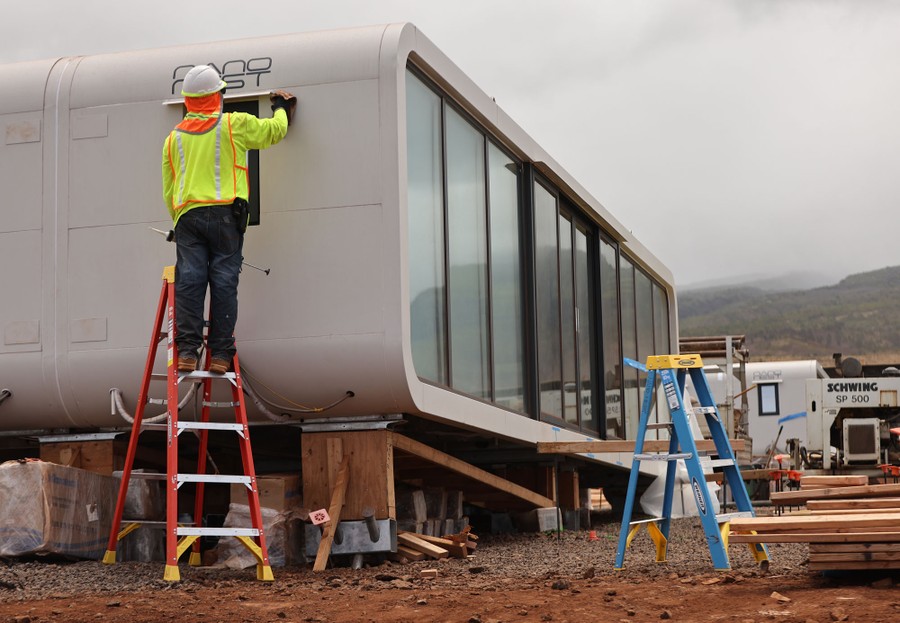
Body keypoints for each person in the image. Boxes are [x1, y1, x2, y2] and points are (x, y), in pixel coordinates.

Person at [162, 65, 297, 374]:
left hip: (187, 218)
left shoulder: (173, 139)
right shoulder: (233, 125)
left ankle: (187, 352)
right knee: (223, 282)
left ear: (188, 101)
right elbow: (272, 132)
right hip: (226, 217)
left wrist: (180, 217)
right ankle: (221, 356)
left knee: (190, 281)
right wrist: (281, 109)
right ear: (216, 97)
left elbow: (169, 187)